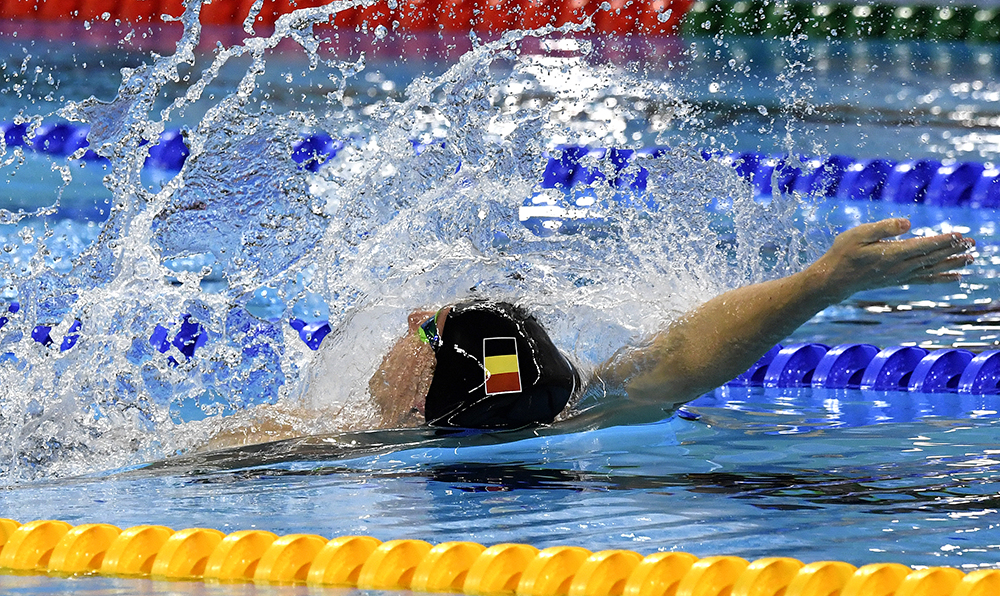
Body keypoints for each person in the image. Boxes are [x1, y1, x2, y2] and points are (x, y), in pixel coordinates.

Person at [212, 216, 974, 447]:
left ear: (422, 400)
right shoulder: (571, 404)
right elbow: (676, 356)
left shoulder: (319, 438)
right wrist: (820, 282)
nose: (410, 319)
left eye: (427, 332)